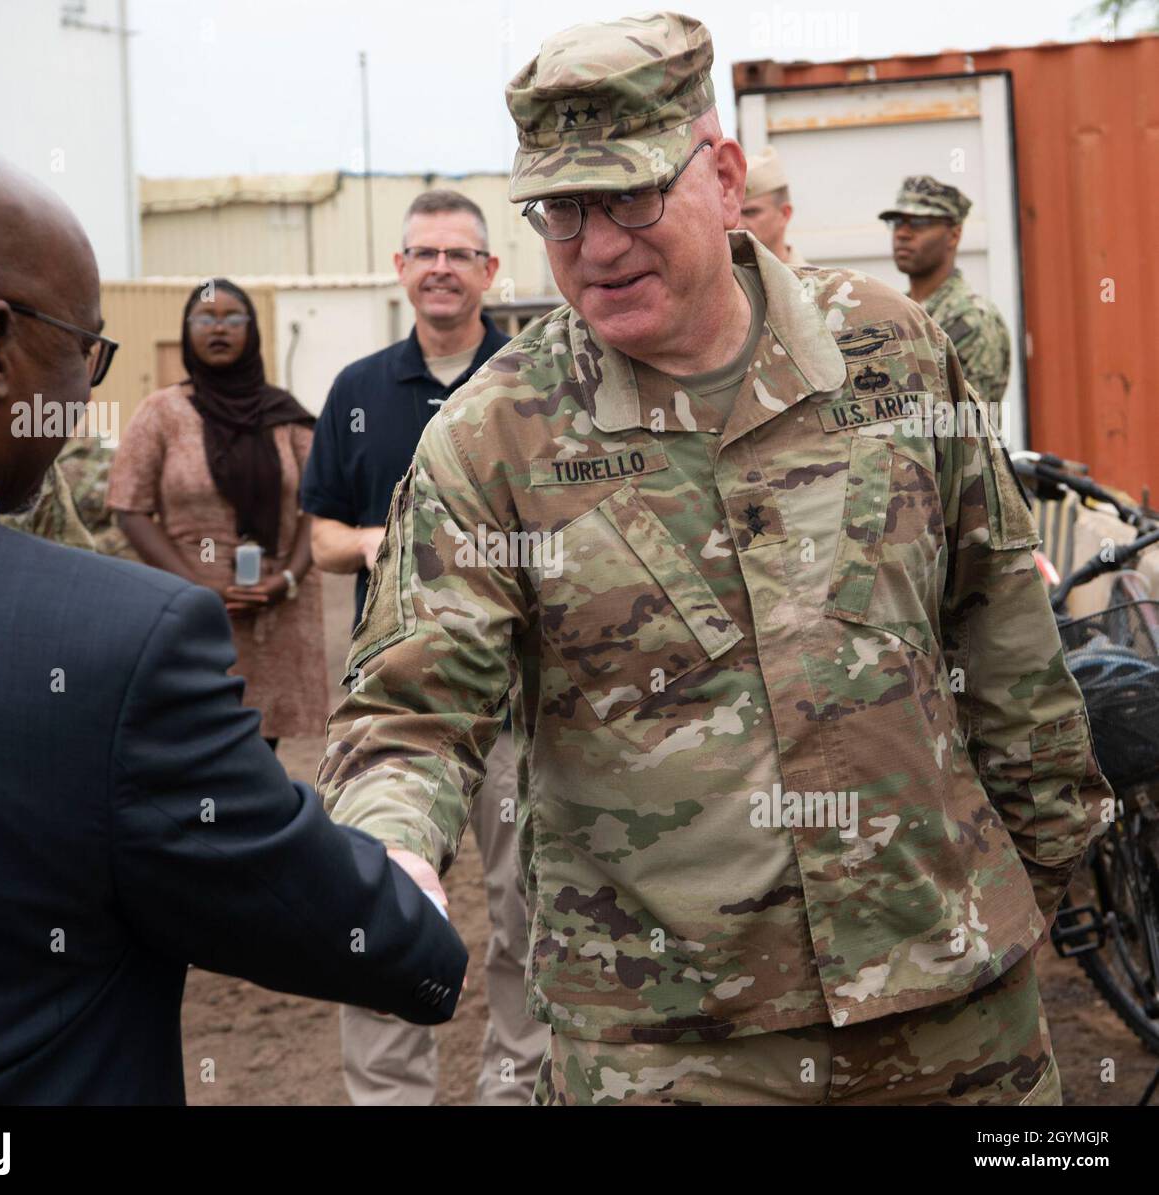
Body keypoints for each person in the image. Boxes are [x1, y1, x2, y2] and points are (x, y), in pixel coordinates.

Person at [318, 12, 1111, 1106]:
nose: (595, 245)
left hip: (956, 1004)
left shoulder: (892, 350)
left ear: (724, 177)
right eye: (561, 210)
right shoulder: (492, 437)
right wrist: (391, 849)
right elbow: (410, 710)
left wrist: (1052, 850)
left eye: (631, 196)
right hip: (672, 1044)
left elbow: (997, 610)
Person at [0, 133, 467, 1105]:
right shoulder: (107, 647)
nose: (84, 392)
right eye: (83, 352)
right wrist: (405, 888)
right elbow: (325, 919)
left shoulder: (281, 420)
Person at [301, 190, 547, 1106]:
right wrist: (380, 542)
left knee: (531, 914)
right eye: (423, 251)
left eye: (460, 252)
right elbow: (317, 536)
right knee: (384, 908)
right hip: (398, 707)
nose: (440, 266)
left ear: (490, 271)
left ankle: (515, 1092)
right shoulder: (358, 391)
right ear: (400, 270)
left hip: (522, 705)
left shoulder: (534, 381)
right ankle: (390, 1099)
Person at [109, 280, 325, 752]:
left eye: (233, 318)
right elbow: (129, 507)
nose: (219, 328)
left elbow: (319, 503)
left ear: (252, 331)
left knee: (259, 748)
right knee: (194, 739)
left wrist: (287, 578)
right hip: (191, 608)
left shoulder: (284, 415)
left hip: (272, 609)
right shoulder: (161, 412)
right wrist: (194, 586)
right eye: (205, 318)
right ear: (187, 333)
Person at [881, 175, 1011, 405]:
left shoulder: (972, 318)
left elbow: (968, 425)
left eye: (919, 223)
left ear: (954, 234)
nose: (902, 233)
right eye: (898, 222)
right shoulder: (898, 309)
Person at [738, 144, 807, 265]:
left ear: (784, 214)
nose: (737, 225)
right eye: (733, 213)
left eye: (750, 212)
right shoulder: (723, 281)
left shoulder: (819, 282)